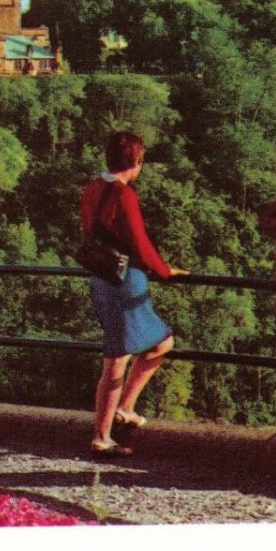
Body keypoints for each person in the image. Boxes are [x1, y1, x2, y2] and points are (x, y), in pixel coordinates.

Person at [80, 131, 187, 457]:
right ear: (137, 162)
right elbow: (140, 243)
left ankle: (124, 409)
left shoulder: (92, 189)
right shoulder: (124, 196)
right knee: (117, 359)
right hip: (125, 282)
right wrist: (166, 271)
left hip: (102, 277)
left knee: (157, 343)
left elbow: (90, 232)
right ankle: (102, 436)